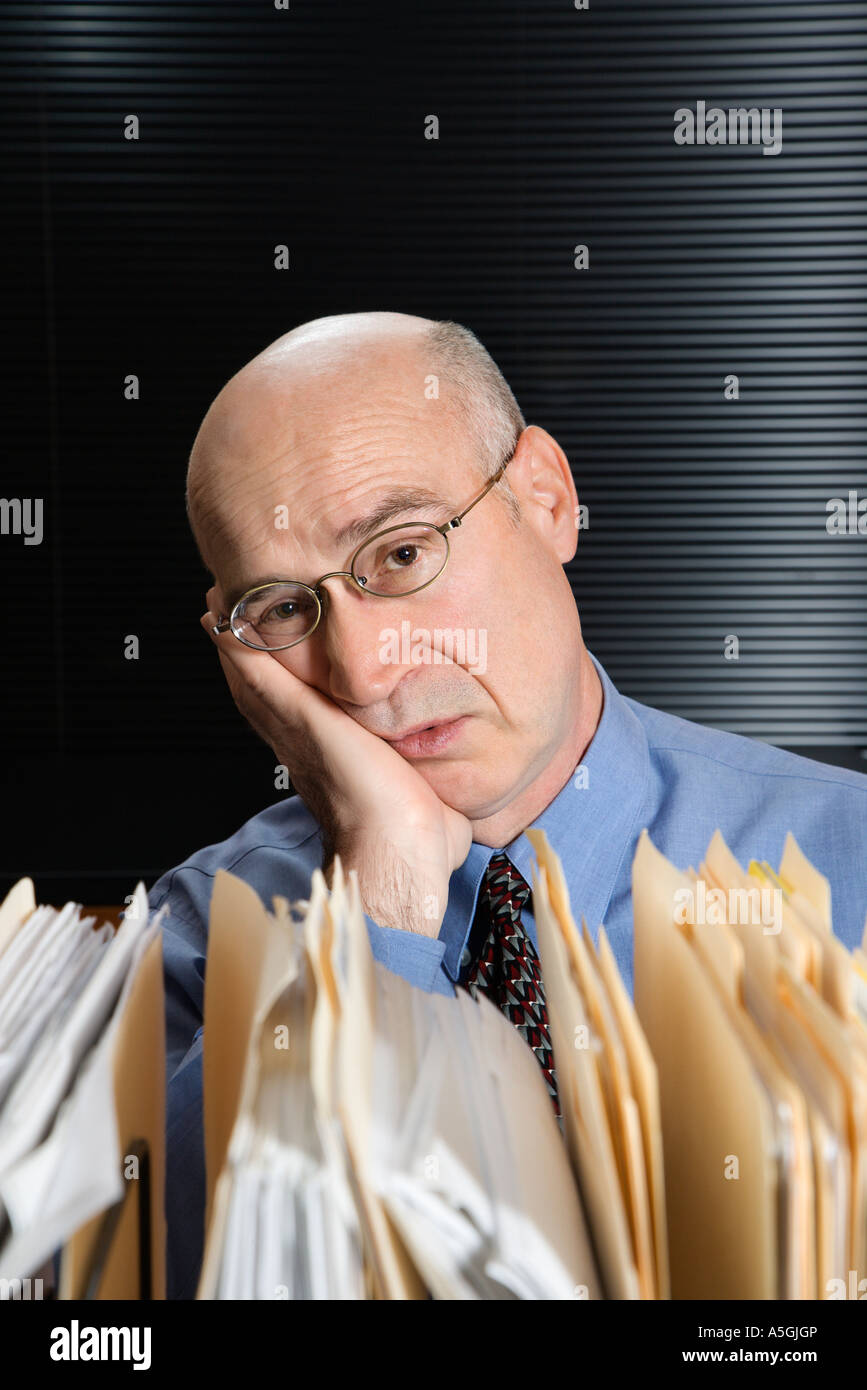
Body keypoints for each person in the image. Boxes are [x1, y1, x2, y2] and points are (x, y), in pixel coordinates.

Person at [151, 310, 867, 1297]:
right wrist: (380, 911)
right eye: (284, 609)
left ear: (547, 497)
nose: (362, 671)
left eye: (401, 555)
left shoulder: (849, 856)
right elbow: (159, 1283)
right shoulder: (195, 937)